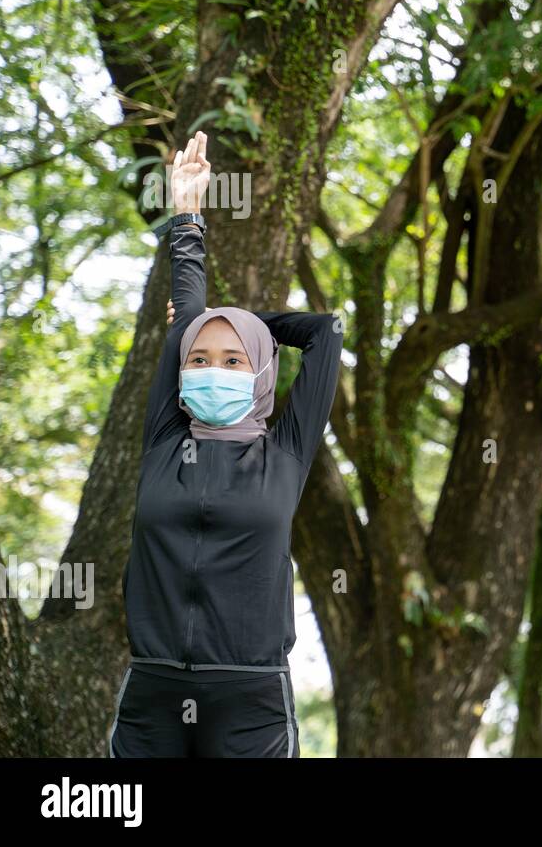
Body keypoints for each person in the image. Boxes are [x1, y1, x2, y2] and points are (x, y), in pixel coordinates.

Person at [107, 131, 342, 757]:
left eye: (235, 359)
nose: (215, 369)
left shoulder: (284, 453)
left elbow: (325, 333)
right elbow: (186, 319)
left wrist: (244, 319)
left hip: (250, 699)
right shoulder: (165, 436)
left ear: (263, 370)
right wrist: (187, 213)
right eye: (201, 359)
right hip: (154, 693)